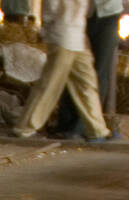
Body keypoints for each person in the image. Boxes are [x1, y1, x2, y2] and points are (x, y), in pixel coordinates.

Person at [12, 0, 110, 140]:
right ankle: (25, 128)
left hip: (79, 39)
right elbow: (50, 10)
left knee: (86, 84)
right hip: (63, 36)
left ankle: (98, 130)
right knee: (50, 85)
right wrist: (48, 30)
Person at [55, 0, 122, 137]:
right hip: (79, 15)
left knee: (100, 71)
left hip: (108, 14)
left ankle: (84, 127)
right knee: (73, 68)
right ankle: (67, 124)